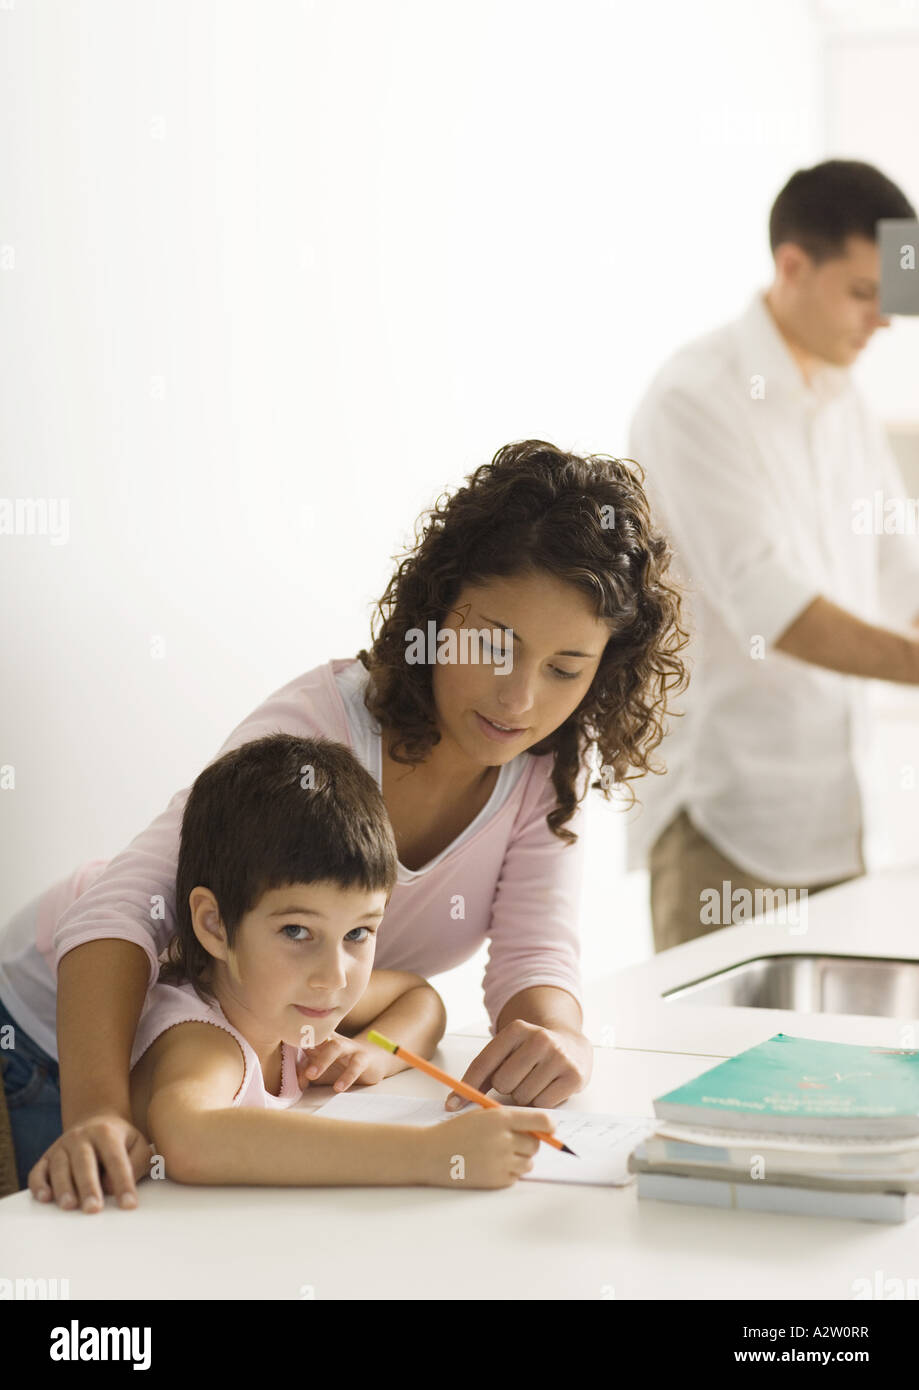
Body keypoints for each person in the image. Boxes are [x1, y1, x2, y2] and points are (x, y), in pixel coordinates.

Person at [0, 438, 689, 1210]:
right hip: (47, 1038)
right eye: (493, 645)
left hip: (239, 1062)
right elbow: (127, 906)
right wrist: (98, 1112)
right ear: (436, 613)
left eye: (565, 668)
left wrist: (555, 1040)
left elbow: (532, 962)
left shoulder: (544, 768)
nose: (519, 699)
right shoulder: (320, 729)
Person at [32, 733, 553, 1196]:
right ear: (214, 926)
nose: (335, 975)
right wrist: (432, 1154)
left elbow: (418, 997)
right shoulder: (205, 1039)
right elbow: (191, 1138)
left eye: (358, 933)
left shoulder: (278, 1000)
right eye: (297, 932)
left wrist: (373, 1053)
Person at [624, 159, 919, 953]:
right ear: (792, 266)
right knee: (710, 1070)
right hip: (727, 820)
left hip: (836, 816)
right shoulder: (696, 396)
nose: (883, 319)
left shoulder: (842, 400)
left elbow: (901, 570)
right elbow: (768, 603)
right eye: (864, 293)